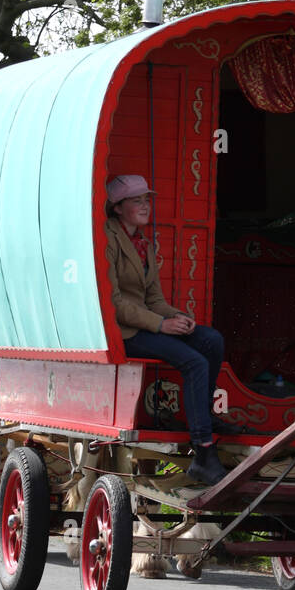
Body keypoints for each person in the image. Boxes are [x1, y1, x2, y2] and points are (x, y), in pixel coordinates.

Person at [104, 174, 230, 485]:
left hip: (148, 323)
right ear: (118, 208)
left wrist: (178, 317)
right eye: (137, 200)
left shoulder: (143, 243)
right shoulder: (108, 239)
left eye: (147, 199)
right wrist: (162, 324)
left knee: (211, 340)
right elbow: (114, 302)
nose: (145, 205)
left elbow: (154, 298)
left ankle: (204, 415)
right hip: (123, 332)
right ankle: (202, 450)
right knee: (194, 361)